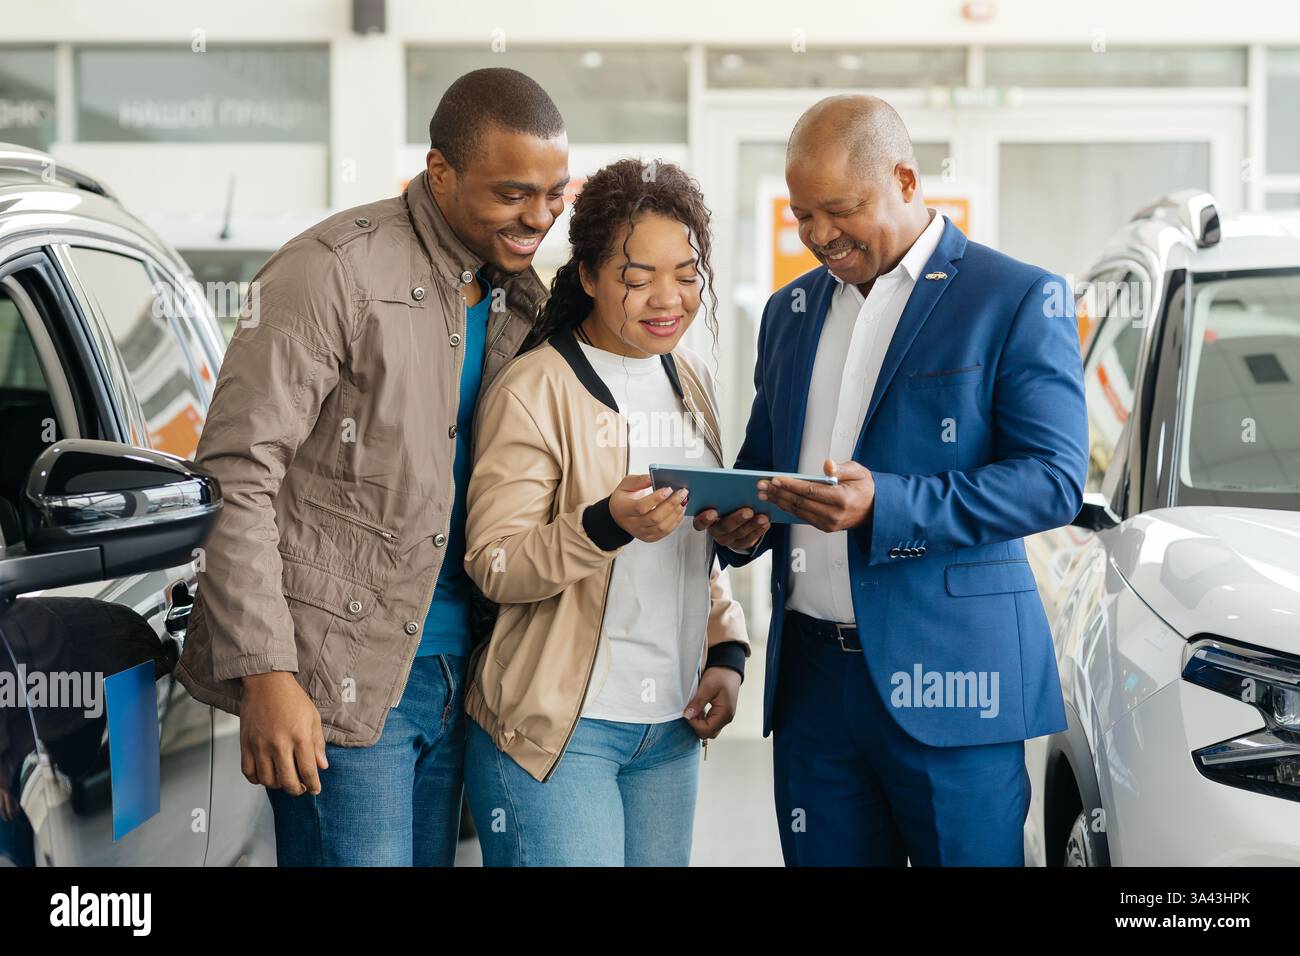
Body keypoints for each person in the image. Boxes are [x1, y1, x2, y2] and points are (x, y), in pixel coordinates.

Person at [175, 68, 570, 866]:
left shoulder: (521, 293)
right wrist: (268, 674)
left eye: (556, 192)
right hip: (337, 673)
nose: (539, 216)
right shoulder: (331, 271)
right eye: (513, 194)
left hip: (466, 674)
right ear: (439, 173)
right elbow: (234, 476)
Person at [697, 94, 1088, 866]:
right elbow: (764, 463)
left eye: (838, 211)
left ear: (907, 180)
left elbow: (1052, 480)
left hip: (956, 687)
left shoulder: (1013, 297)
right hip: (814, 692)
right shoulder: (789, 311)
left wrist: (889, 505)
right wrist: (742, 522)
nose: (817, 237)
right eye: (802, 215)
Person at [461, 158, 749, 867]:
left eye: (686, 275)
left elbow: (693, 548)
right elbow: (494, 561)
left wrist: (726, 651)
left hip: (670, 728)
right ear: (587, 275)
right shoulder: (535, 387)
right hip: (561, 730)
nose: (667, 298)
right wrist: (604, 524)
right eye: (637, 275)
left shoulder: (691, 381)